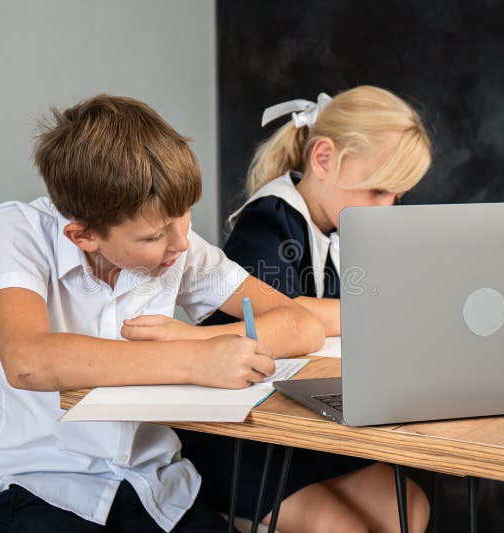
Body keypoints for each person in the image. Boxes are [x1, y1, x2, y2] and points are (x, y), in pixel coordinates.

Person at [0, 94, 325, 533]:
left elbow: (301, 323)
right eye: (155, 235)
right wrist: (196, 361)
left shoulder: (178, 251)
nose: (180, 242)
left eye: (185, 215)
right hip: (39, 487)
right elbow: (27, 361)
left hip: (155, 487)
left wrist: (198, 340)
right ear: (84, 236)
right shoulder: (18, 229)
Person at [183, 86, 433, 533]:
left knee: (409, 508)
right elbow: (289, 319)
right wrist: (385, 308)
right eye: (378, 190)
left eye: (397, 195)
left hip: (303, 422)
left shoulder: (341, 227)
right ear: (323, 159)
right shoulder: (269, 221)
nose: (388, 208)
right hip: (243, 431)